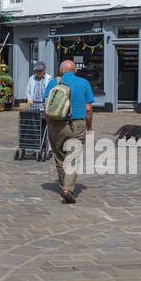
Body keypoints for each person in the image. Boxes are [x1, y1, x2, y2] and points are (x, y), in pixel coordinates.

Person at [49, 60, 94, 204]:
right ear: (74, 70)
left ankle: (64, 186)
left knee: (59, 157)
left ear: (61, 71)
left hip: (56, 124)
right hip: (77, 124)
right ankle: (68, 189)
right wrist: (89, 125)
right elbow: (88, 108)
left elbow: (47, 105)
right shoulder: (84, 83)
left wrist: (49, 124)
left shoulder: (53, 82)